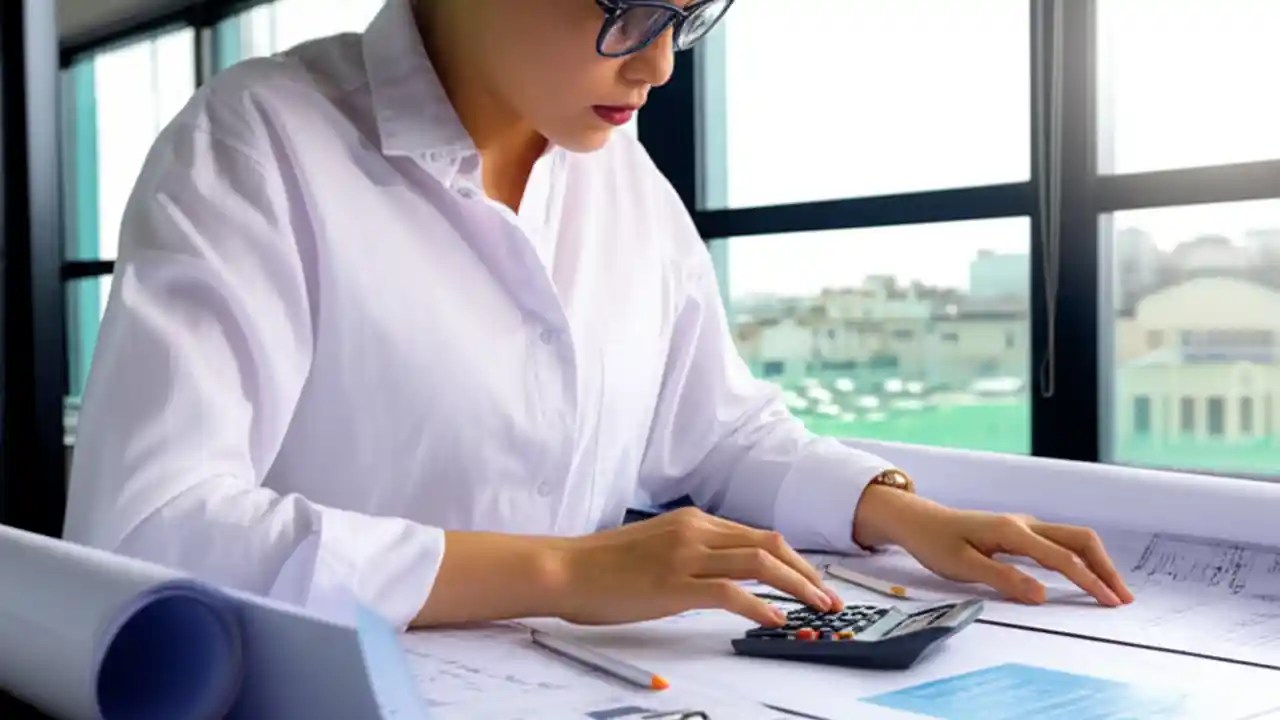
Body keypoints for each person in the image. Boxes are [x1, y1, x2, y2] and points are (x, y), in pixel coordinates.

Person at [64, 0, 1133, 632]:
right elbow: (150, 529)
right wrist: (563, 573)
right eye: (625, 5)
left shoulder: (617, 174)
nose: (657, 62)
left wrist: (898, 512)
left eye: (686, 14)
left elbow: (715, 432)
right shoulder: (258, 142)